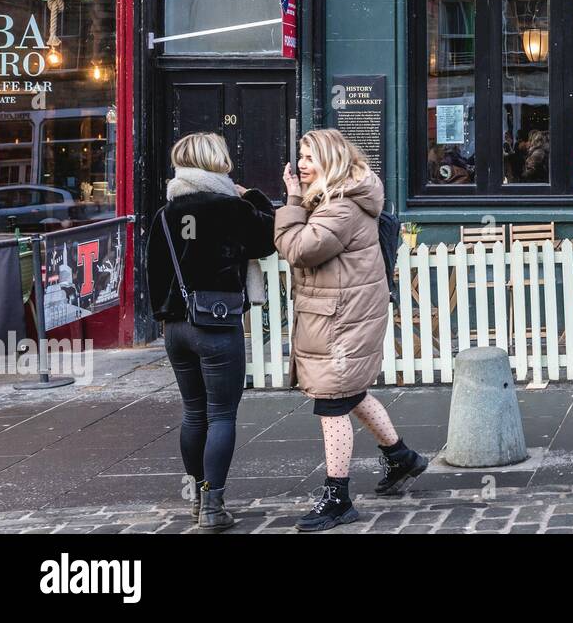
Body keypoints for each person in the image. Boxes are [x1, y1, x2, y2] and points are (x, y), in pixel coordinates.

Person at [274, 128, 427, 532]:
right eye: (301, 157)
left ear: (330, 160)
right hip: (341, 313)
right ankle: (402, 458)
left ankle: (337, 498)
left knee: (331, 403)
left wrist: (290, 202)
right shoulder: (338, 199)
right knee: (352, 393)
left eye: (309, 158)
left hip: (341, 319)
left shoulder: (340, 208)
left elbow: (298, 249)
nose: (301, 166)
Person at [144, 132, 276, 532]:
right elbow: (270, 239)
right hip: (217, 325)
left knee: (193, 412)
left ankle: (197, 498)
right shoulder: (231, 208)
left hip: (176, 329)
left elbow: (153, 272)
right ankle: (214, 508)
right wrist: (252, 197)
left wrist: (169, 314)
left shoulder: (165, 214)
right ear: (216, 161)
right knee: (222, 414)